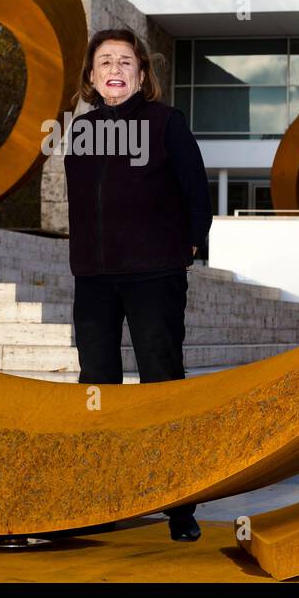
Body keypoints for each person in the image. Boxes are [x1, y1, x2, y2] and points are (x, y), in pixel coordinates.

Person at [63, 28, 212, 542]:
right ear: (90, 76)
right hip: (95, 280)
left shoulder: (166, 122)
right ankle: (101, 499)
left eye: (125, 61)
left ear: (142, 74)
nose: (115, 69)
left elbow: (197, 190)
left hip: (154, 275)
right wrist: (82, 260)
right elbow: (82, 206)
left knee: (162, 386)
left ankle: (180, 506)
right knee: (98, 386)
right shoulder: (80, 131)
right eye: (104, 61)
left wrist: (191, 246)